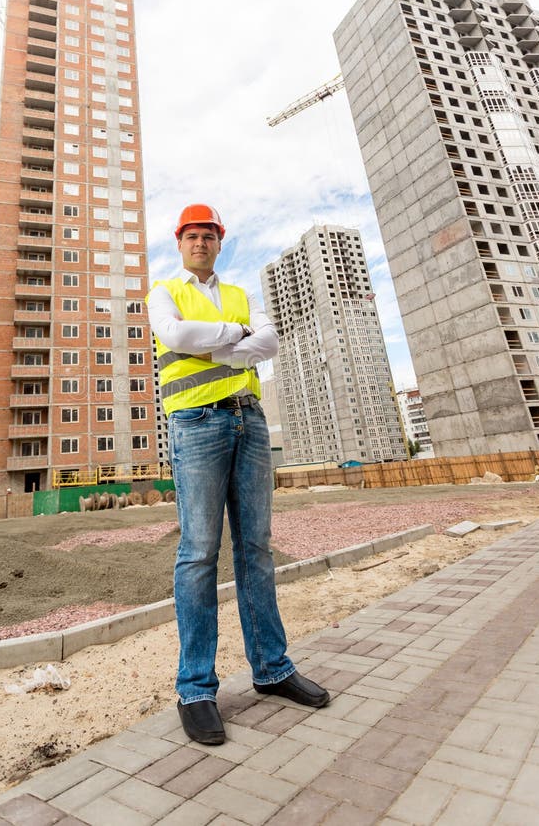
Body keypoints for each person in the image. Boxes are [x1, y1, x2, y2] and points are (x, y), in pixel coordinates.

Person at [146, 203, 330, 745]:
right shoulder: (163, 291)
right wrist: (232, 337)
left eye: (209, 235)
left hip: (249, 421)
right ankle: (196, 689)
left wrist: (219, 344)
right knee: (200, 552)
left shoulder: (240, 293)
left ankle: (272, 669)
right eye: (192, 235)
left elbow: (268, 344)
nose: (200, 242)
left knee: (256, 550)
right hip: (197, 425)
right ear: (180, 242)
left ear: (220, 242)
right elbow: (175, 337)